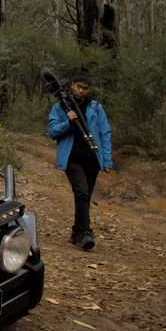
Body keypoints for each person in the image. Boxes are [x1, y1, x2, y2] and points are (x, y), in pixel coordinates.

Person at [47, 72, 113, 249]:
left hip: (92, 159)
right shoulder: (60, 107)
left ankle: (76, 232)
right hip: (72, 159)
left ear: (89, 89)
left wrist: (107, 160)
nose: (81, 91)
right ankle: (85, 232)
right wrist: (68, 122)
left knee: (85, 196)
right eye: (78, 87)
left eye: (85, 88)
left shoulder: (95, 108)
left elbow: (105, 133)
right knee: (82, 191)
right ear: (72, 85)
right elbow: (52, 132)